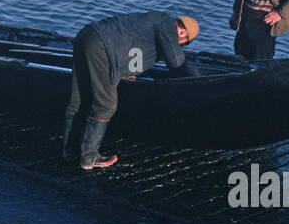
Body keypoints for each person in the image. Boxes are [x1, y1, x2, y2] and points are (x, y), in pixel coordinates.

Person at [61, 11, 199, 170]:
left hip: (87, 35)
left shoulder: (150, 25)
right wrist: (190, 84)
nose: (179, 39)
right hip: (101, 46)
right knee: (106, 105)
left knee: (79, 99)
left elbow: (135, 58)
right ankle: (89, 157)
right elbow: (176, 62)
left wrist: (126, 76)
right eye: (182, 39)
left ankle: (69, 152)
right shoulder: (166, 22)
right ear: (181, 32)